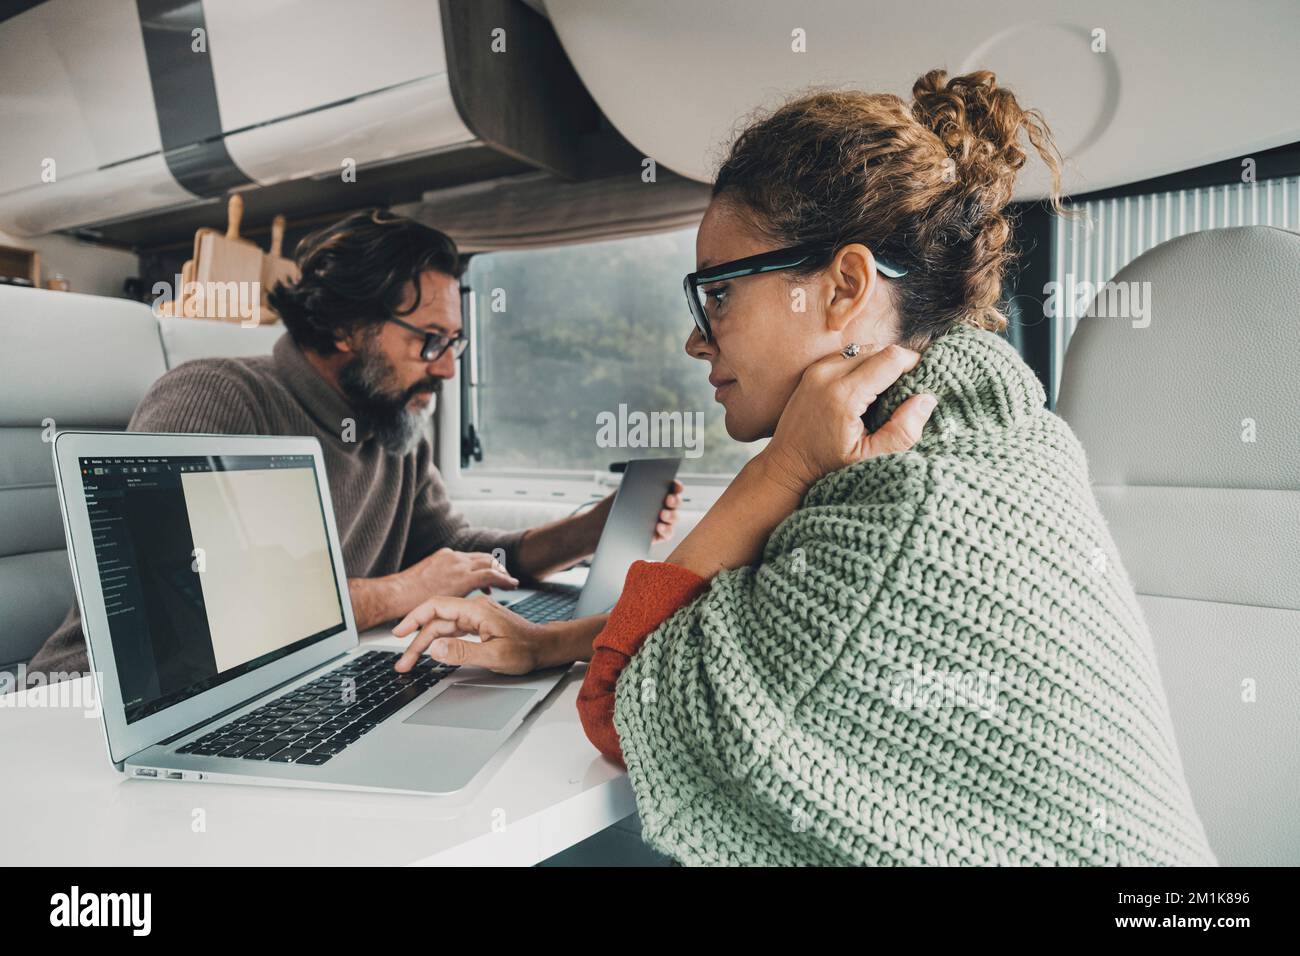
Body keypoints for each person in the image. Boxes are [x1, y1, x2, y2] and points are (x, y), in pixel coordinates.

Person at [389, 70, 1218, 866]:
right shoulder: (963, 431)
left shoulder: (907, 508)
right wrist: (551, 642)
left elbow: (622, 704)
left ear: (842, 286)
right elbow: (729, 614)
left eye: (718, 294)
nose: (696, 337)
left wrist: (776, 470)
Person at [26, 210, 681, 681]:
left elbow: (460, 557)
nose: (447, 368)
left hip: (285, 682)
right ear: (345, 327)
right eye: (429, 341)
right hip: (101, 708)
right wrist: (400, 592)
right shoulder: (216, 398)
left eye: (453, 344)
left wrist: (589, 529)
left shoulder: (392, 425)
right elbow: (187, 616)